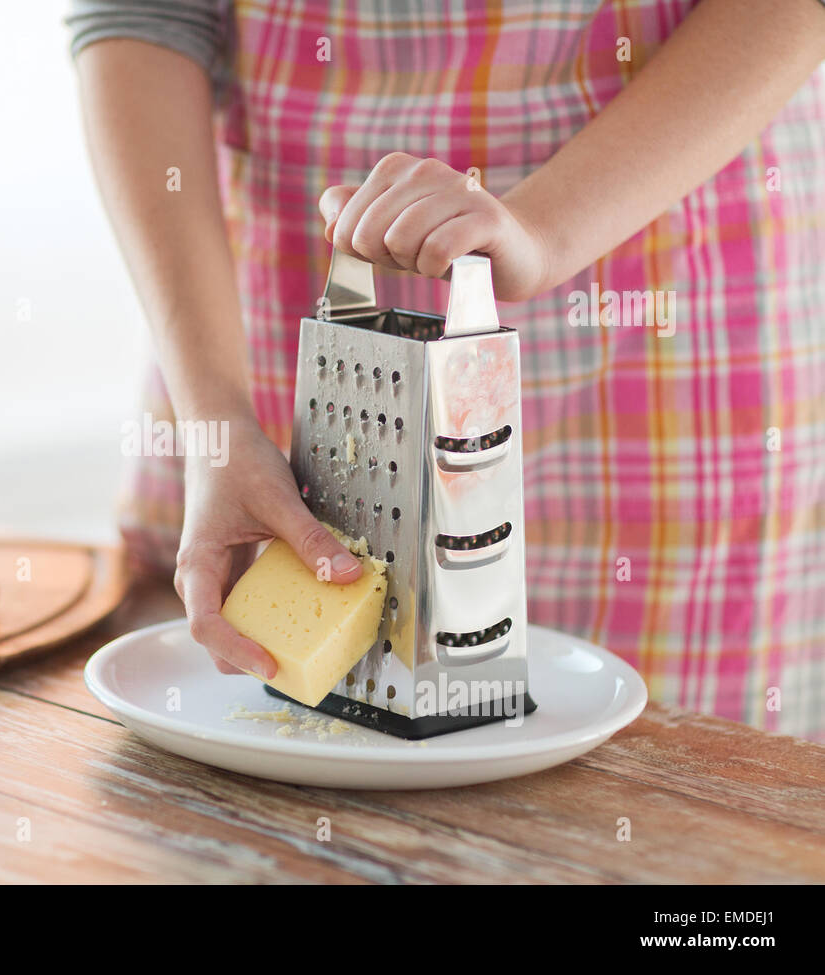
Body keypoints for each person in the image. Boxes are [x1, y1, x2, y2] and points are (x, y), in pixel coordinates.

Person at [67, 0, 825, 739]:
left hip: (658, 289)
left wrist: (545, 226)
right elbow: (144, 17)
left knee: (665, 807)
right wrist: (217, 425)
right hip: (258, 318)